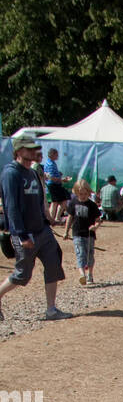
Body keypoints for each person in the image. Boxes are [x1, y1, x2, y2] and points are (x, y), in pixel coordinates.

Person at [0, 133, 70, 321]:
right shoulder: (11, 173)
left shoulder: (32, 172)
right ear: (19, 151)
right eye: (30, 149)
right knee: (23, 274)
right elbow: (11, 206)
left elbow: (40, 201)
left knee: (53, 264)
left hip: (42, 230)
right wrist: (21, 235)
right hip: (25, 233)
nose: (34, 152)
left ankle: (51, 309)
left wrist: (49, 219)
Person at [62, 179, 102, 286]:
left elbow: (98, 220)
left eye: (85, 194)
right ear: (76, 192)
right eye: (80, 194)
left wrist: (95, 226)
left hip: (89, 235)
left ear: (89, 193)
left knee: (89, 255)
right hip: (77, 234)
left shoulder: (92, 205)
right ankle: (82, 275)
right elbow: (69, 218)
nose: (83, 196)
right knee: (80, 253)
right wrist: (66, 231)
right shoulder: (73, 203)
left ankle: (90, 274)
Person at [43, 148, 70, 221]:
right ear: (52, 154)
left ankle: (52, 218)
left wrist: (59, 174)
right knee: (63, 200)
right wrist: (62, 179)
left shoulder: (48, 162)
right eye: (56, 154)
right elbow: (51, 177)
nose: (57, 156)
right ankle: (56, 218)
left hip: (52, 185)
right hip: (54, 185)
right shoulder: (51, 164)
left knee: (54, 202)